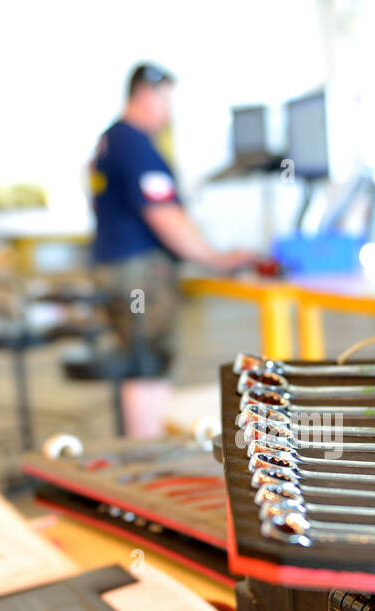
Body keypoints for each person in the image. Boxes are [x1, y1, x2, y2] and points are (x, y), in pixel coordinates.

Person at [91, 62, 256, 436]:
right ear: (146, 95)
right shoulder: (135, 144)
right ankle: (149, 465)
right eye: (166, 101)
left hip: (114, 266)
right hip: (139, 274)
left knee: (139, 363)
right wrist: (218, 259)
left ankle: (140, 461)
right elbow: (164, 216)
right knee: (149, 369)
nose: (169, 113)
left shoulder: (109, 140)